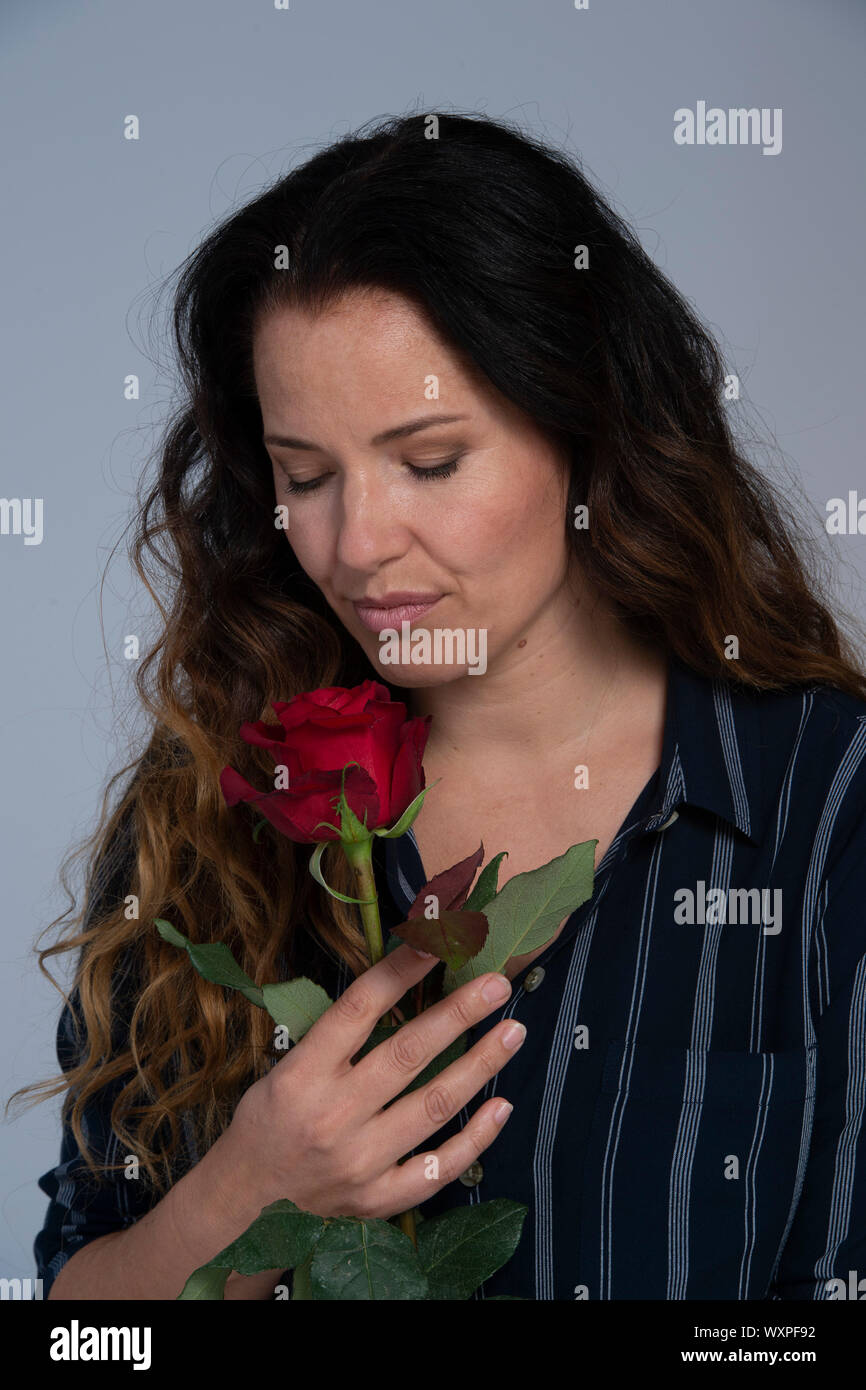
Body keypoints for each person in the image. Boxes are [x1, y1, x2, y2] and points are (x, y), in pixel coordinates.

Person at [11, 110, 866, 1301]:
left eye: (427, 461)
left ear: (584, 424)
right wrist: (243, 1190)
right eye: (304, 478)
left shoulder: (826, 806)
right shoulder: (208, 802)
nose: (357, 545)